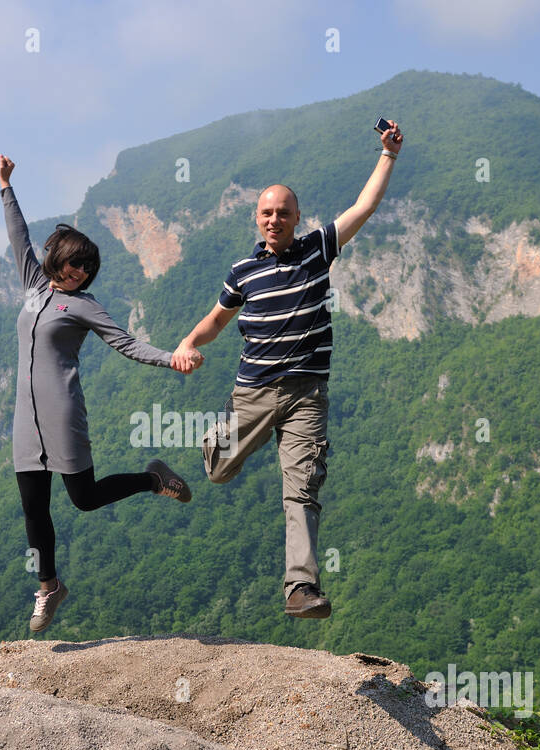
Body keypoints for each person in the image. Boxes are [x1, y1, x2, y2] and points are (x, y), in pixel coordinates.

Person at [171, 120, 403, 618]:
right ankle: (209, 445)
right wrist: (188, 342)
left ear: (298, 217)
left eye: (283, 213)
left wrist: (387, 155)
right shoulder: (243, 272)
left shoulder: (318, 250)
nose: (274, 219)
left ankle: (300, 588)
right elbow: (217, 320)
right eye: (266, 213)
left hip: (306, 396)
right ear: (257, 219)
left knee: (302, 486)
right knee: (217, 471)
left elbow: (364, 207)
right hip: (253, 393)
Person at [0, 154, 195, 633]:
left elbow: (126, 343)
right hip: (26, 419)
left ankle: (152, 479)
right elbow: (18, 237)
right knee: (33, 507)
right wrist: (6, 186)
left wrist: (170, 356)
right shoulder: (32, 285)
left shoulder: (83, 305)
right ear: (57, 258)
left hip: (63, 415)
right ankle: (48, 587)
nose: (82, 272)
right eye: (76, 263)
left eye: (88, 268)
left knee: (83, 498)